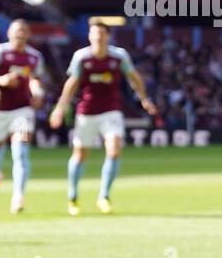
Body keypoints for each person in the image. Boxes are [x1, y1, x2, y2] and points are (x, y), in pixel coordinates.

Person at [48, 18, 157, 215]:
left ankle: (104, 196)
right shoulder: (81, 57)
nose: (97, 37)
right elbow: (72, 83)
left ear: (107, 36)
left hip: (111, 109)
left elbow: (134, 77)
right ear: (89, 36)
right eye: (94, 34)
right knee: (80, 155)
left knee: (114, 150)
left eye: (101, 34)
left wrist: (144, 99)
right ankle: (73, 197)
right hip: (87, 111)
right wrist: (60, 107)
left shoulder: (119, 56)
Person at [0, 19, 45, 212]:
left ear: (28, 34)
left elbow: (35, 80)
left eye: (24, 30)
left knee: (21, 152)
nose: (20, 34)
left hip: (22, 111)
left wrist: (38, 92)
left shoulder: (34, 57)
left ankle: (18, 197)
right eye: (17, 31)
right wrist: (1, 80)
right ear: (9, 33)